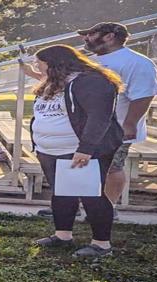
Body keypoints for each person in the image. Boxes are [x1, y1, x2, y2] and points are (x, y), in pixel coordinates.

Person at [26, 44, 123, 259]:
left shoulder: (91, 81)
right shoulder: (54, 82)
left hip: (78, 150)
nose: (37, 68)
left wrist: (86, 148)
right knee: (61, 194)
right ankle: (63, 235)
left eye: (39, 64)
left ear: (54, 63)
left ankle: (101, 243)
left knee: (92, 196)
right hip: (50, 150)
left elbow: (99, 117)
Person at [82, 21, 157, 208]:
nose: (86, 38)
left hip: (115, 128)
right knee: (80, 166)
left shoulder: (137, 62)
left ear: (109, 36)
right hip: (86, 127)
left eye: (91, 34)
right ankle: (72, 207)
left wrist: (130, 124)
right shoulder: (89, 61)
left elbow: (143, 95)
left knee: (111, 168)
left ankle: (107, 209)